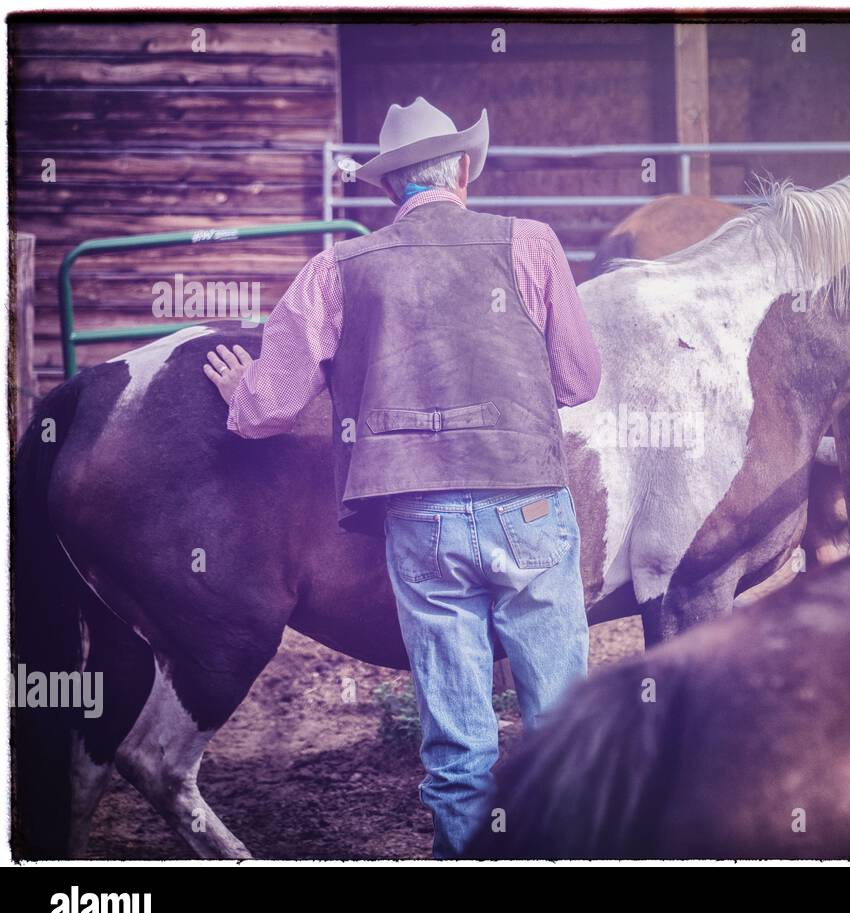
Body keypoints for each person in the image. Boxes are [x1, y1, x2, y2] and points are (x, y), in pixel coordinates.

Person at [202, 97, 601, 858]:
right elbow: (579, 379)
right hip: (528, 506)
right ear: (461, 171)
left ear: (392, 189)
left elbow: (267, 410)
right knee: (561, 723)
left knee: (456, 741)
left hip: (420, 516)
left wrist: (239, 388)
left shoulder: (335, 270)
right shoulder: (533, 243)